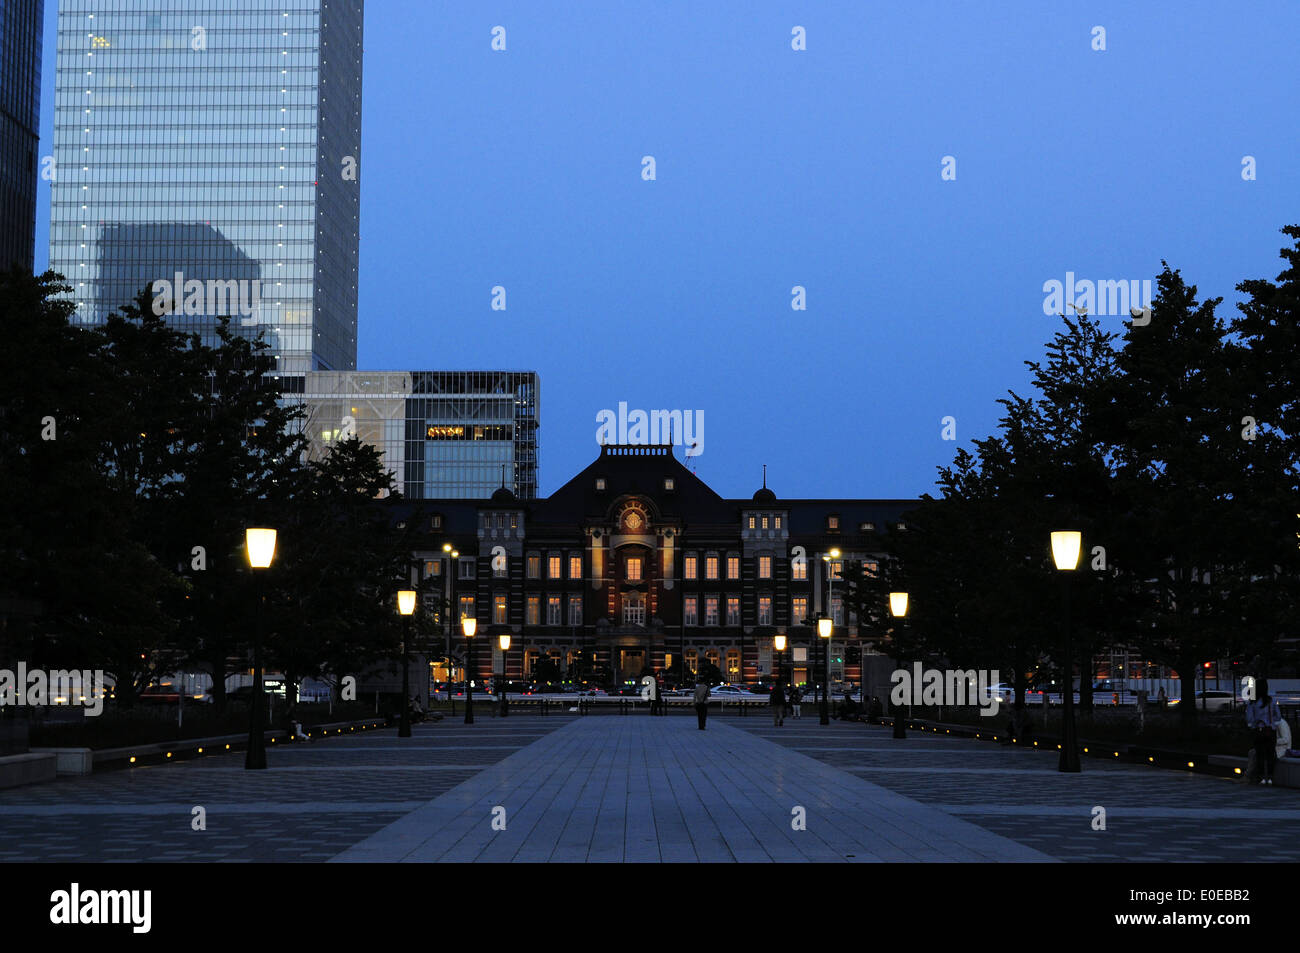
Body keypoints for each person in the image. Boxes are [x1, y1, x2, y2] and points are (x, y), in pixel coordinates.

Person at [1246, 690, 1282, 785]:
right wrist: (1272, 723)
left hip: (1258, 731)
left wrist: (1253, 725)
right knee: (1270, 754)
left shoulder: (1252, 702)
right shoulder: (1271, 700)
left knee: (1260, 754)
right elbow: (1278, 716)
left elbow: (1249, 718)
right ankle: (1270, 778)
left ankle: (1261, 777)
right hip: (1270, 731)